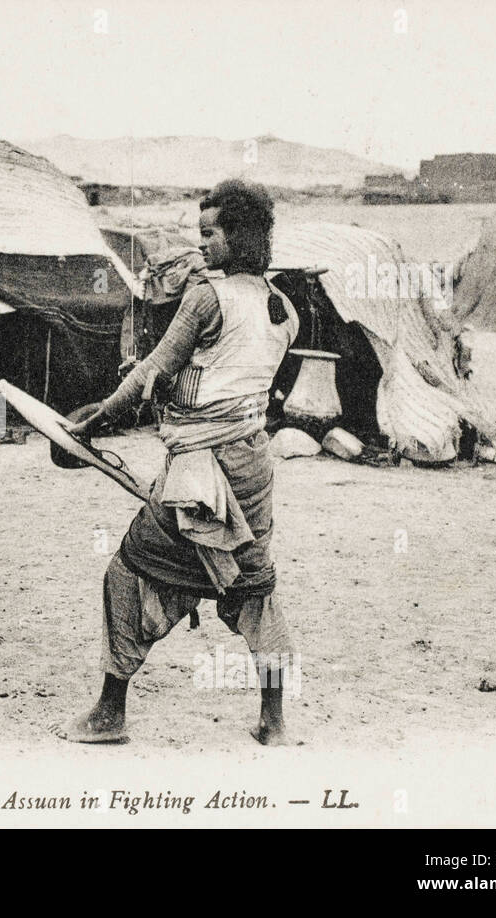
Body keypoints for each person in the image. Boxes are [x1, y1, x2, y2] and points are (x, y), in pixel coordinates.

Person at [55, 179, 299, 745]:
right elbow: (248, 388)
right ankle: (274, 722)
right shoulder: (282, 306)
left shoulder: (206, 298)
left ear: (238, 236)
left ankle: (109, 713)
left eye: (210, 233)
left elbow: (152, 374)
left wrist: (95, 422)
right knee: (254, 583)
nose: (202, 244)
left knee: (128, 570)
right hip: (253, 467)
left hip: (201, 475)